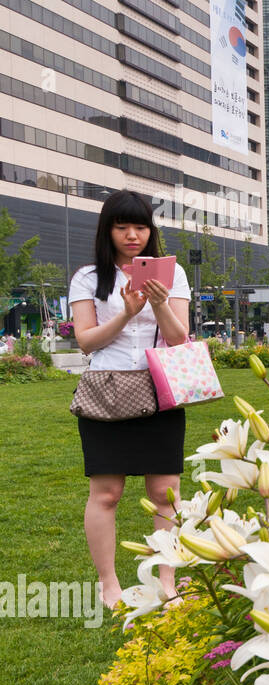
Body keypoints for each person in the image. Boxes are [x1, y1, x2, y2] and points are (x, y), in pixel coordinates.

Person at [68, 189, 191, 608]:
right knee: (106, 493)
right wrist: (124, 313)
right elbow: (86, 341)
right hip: (106, 392)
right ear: (109, 230)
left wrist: (158, 305)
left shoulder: (171, 276)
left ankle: (167, 580)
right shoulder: (88, 277)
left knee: (165, 492)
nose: (133, 235)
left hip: (159, 388)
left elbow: (179, 339)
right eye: (123, 226)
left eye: (140, 226)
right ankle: (109, 585)